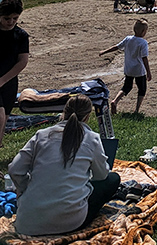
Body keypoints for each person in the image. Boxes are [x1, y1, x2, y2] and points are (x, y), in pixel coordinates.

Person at [8, 94, 120, 236]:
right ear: (87, 116)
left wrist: (25, 188)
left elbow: (15, 169)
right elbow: (101, 175)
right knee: (113, 179)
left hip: (27, 222)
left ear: (64, 112)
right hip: (70, 222)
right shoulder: (91, 138)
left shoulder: (41, 135)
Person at [99, 19, 152, 114]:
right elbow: (144, 58)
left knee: (126, 87)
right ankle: (137, 110)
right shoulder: (143, 43)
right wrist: (148, 72)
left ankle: (115, 101)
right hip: (139, 70)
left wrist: (104, 51)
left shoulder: (128, 39)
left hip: (128, 69)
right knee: (142, 89)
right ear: (143, 32)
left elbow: (117, 47)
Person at [0, 0, 29, 148]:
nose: (11, 22)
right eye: (7, 18)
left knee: (4, 119)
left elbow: (22, 61)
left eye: (15, 18)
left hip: (9, 81)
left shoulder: (21, 35)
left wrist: (3, 80)